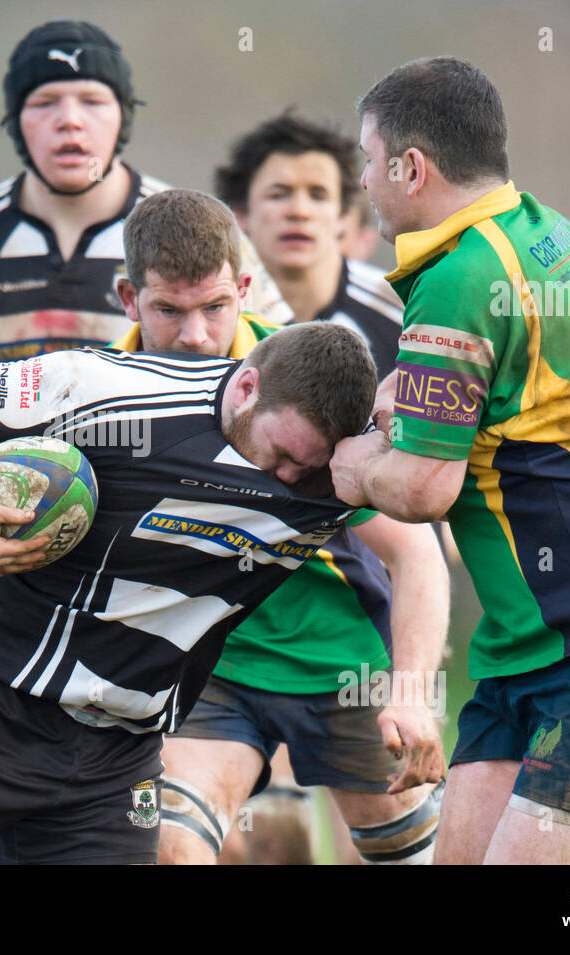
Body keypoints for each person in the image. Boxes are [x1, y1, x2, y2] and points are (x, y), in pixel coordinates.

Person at [0, 204, 388, 865]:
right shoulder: (112, 386)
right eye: (280, 455)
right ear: (247, 388)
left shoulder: (330, 474)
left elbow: (423, 495)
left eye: (304, 468)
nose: (286, 479)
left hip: (117, 752)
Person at [330, 56, 570, 864]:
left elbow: (420, 485)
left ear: (413, 167)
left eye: (369, 162)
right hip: (532, 651)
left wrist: (347, 462)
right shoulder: (545, 234)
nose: (365, 185)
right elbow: (507, 397)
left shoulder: (461, 274)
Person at [0, 18, 288, 580]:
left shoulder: (195, 233)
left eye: (92, 99)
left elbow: (285, 376)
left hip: (160, 552)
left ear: (124, 116)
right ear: (16, 122)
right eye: (45, 102)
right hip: (8, 548)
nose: (70, 120)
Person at [109, 190, 449, 866]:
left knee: (418, 856)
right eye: (168, 311)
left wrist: (411, 695)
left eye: (214, 308)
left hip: (340, 666)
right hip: (208, 670)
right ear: (128, 299)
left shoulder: (312, 383)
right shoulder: (107, 393)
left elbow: (418, 556)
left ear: (242, 287)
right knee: (164, 845)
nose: (195, 335)